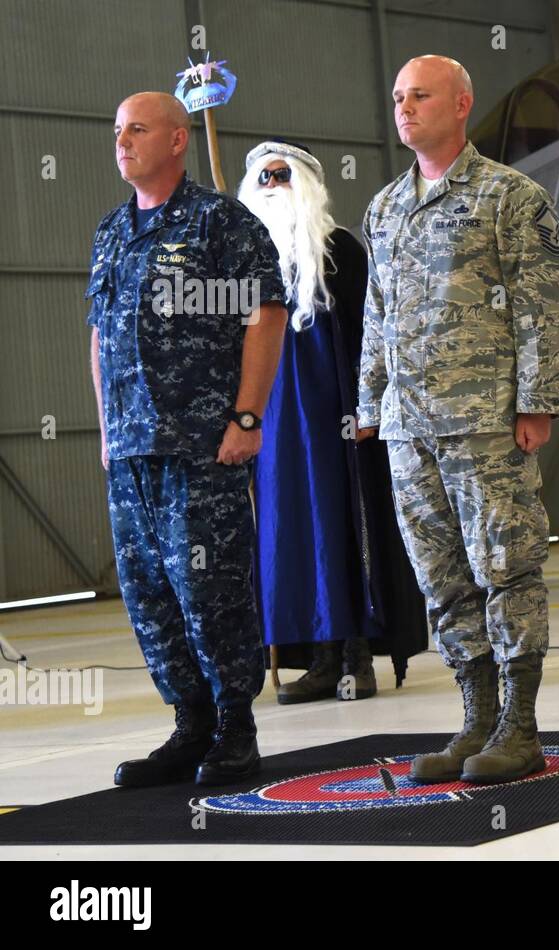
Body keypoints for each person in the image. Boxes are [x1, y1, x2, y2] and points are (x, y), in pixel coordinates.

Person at [357, 56, 559, 785]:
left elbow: (545, 303)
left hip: (484, 420)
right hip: (407, 429)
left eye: (419, 95)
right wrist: (368, 401)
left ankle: (521, 726)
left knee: (507, 568)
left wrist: (538, 402)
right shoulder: (385, 208)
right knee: (443, 580)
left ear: (460, 103)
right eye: (397, 97)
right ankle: (476, 719)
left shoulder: (509, 196)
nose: (404, 107)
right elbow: (376, 315)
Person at [87, 92, 287, 787]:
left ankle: (237, 727)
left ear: (176, 140)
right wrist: (109, 431)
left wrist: (247, 417)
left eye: (137, 129)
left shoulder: (217, 223)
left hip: (202, 445)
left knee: (211, 588)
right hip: (132, 453)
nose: (122, 141)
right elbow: (99, 334)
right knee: (150, 594)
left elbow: (265, 315)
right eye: (117, 131)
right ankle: (189, 723)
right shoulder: (111, 232)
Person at [237, 140, 427, 703]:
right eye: (262, 178)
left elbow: (377, 333)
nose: (272, 186)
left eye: (282, 175)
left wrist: (371, 406)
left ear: (308, 184)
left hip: (337, 423)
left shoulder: (340, 250)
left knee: (343, 528)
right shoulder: (245, 265)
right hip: (272, 428)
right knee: (288, 534)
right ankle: (317, 658)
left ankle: (354, 656)